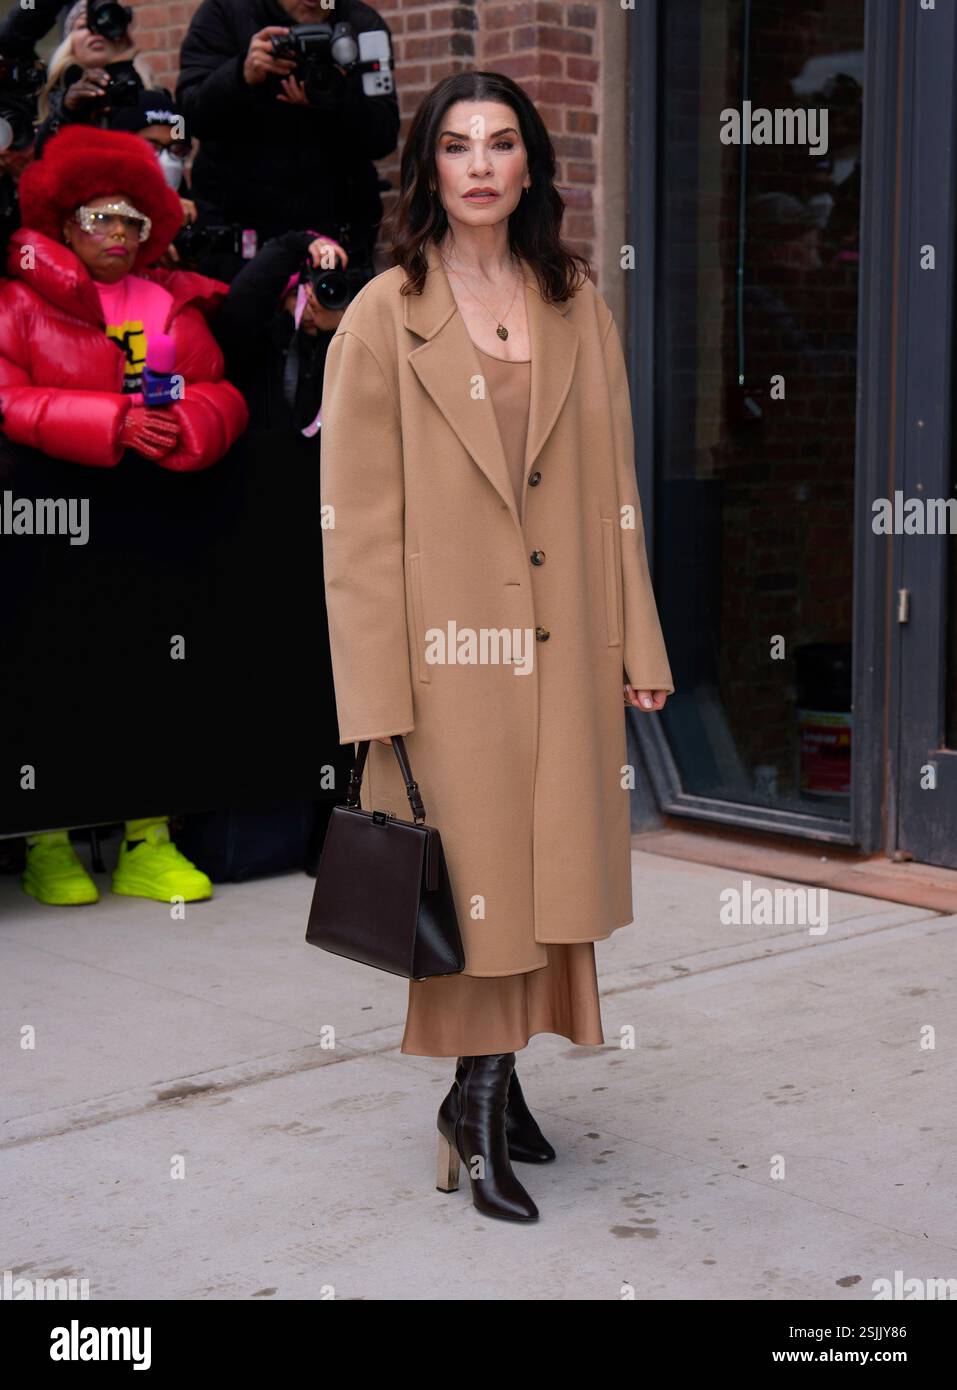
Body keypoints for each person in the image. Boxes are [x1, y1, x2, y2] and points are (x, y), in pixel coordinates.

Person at [318, 71, 675, 1223]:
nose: (480, 164)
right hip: (441, 663)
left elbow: (614, 486)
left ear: (530, 168)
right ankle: (471, 1117)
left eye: (502, 144)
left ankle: (502, 1087)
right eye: (457, 146)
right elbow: (356, 525)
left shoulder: (576, 301)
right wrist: (375, 689)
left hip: (563, 643)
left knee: (544, 874)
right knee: (474, 887)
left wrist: (639, 637)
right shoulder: (383, 312)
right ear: (428, 169)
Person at [0, 125, 249, 905]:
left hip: (153, 519)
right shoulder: (20, 298)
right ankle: (50, 844)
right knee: (51, 677)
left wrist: (188, 428)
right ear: (65, 221)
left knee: (150, 680)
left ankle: (148, 838)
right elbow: (4, 395)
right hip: (49, 521)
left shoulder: (173, 298)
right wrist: (110, 421)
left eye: (130, 219)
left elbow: (222, 391)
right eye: (98, 216)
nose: (115, 232)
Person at [175, 0, 398, 276]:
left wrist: (338, 99)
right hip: (240, 237)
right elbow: (191, 116)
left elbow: (383, 136)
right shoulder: (224, 13)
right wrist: (241, 75)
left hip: (334, 235)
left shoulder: (363, 26)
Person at [35, 0, 154, 153]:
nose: (94, 31)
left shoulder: (151, 91)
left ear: (121, 34)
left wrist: (123, 71)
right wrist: (67, 111)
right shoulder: (50, 95)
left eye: (102, 22)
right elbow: (42, 154)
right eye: (83, 26)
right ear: (69, 42)